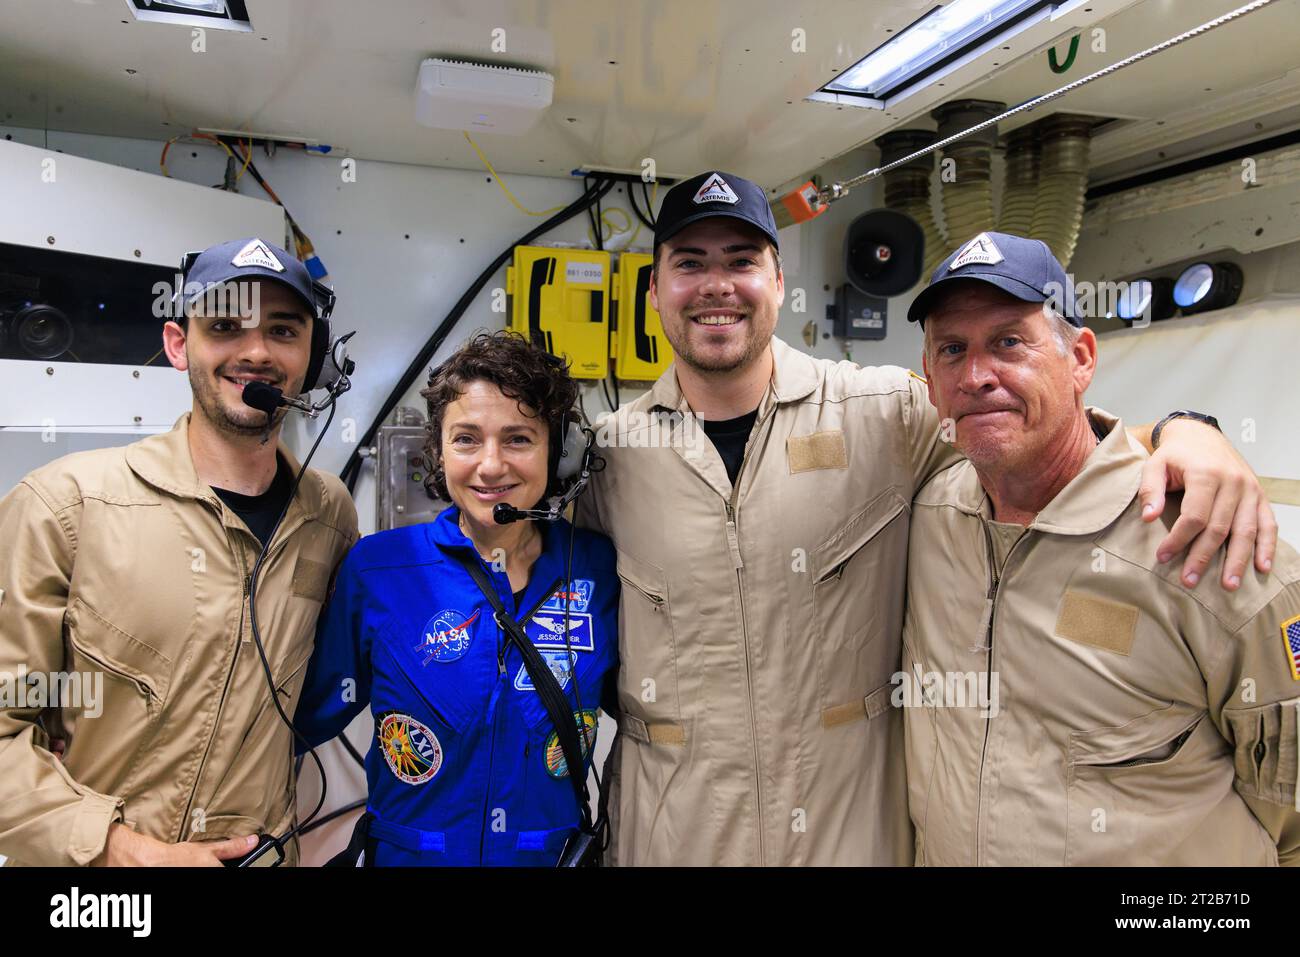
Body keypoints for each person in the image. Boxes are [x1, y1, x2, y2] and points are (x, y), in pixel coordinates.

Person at [576, 172, 1278, 866]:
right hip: (668, 842)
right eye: (689, 263)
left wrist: (1192, 430)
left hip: (848, 848)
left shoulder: (883, 415)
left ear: (780, 280)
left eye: (741, 260)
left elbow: (1036, 431)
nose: (717, 285)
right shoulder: (608, 459)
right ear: (654, 290)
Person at [900, 232, 1300, 865]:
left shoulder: (1208, 543)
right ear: (928, 380)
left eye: (1009, 341)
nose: (976, 376)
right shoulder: (927, 517)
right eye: (953, 350)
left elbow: (1291, 807)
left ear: (1081, 359)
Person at [0, 237, 358, 866]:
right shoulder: (65, 504)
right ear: (177, 344)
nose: (255, 352)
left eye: (283, 329)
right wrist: (121, 851)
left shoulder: (329, 515)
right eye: (224, 326)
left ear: (311, 354)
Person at [295, 330, 618, 866]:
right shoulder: (379, 569)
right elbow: (297, 722)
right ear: (438, 452)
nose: (491, 466)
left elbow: (651, 717)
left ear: (557, 453)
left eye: (518, 438)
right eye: (467, 439)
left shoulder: (598, 570)